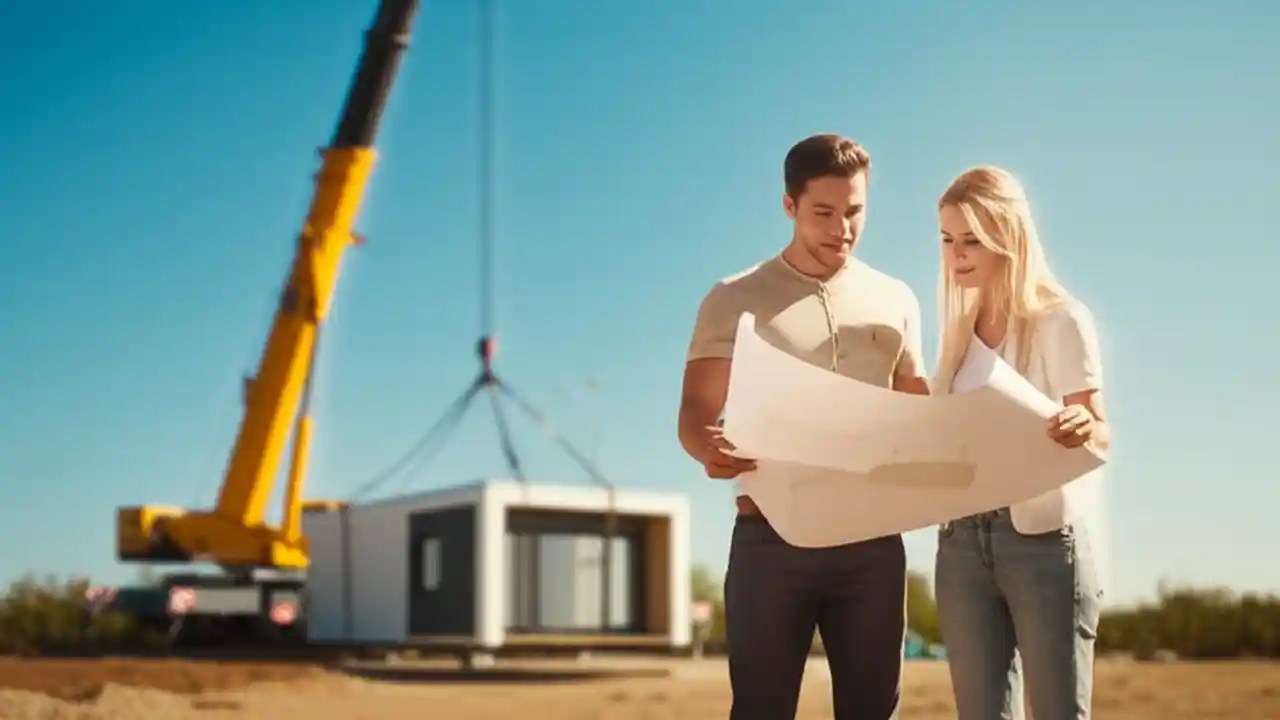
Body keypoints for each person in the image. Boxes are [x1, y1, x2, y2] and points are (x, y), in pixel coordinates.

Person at [677, 133, 931, 720]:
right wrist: (705, 446)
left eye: (855, 212)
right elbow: (695, 411)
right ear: (788, 206)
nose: (841, 228)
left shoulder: (896, 299)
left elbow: (918, 409)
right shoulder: (732, 297)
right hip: (771, 544)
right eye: (824, 212)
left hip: (872, 547)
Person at [929, 165, 1112, 720]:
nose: (956, 255)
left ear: (1006, 237)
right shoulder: (956, 335)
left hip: (1041, 542)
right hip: (960, 545)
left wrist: (1081, 427)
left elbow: (1099, 432)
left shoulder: (1062, 320)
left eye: (971, 241)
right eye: (947, 240)